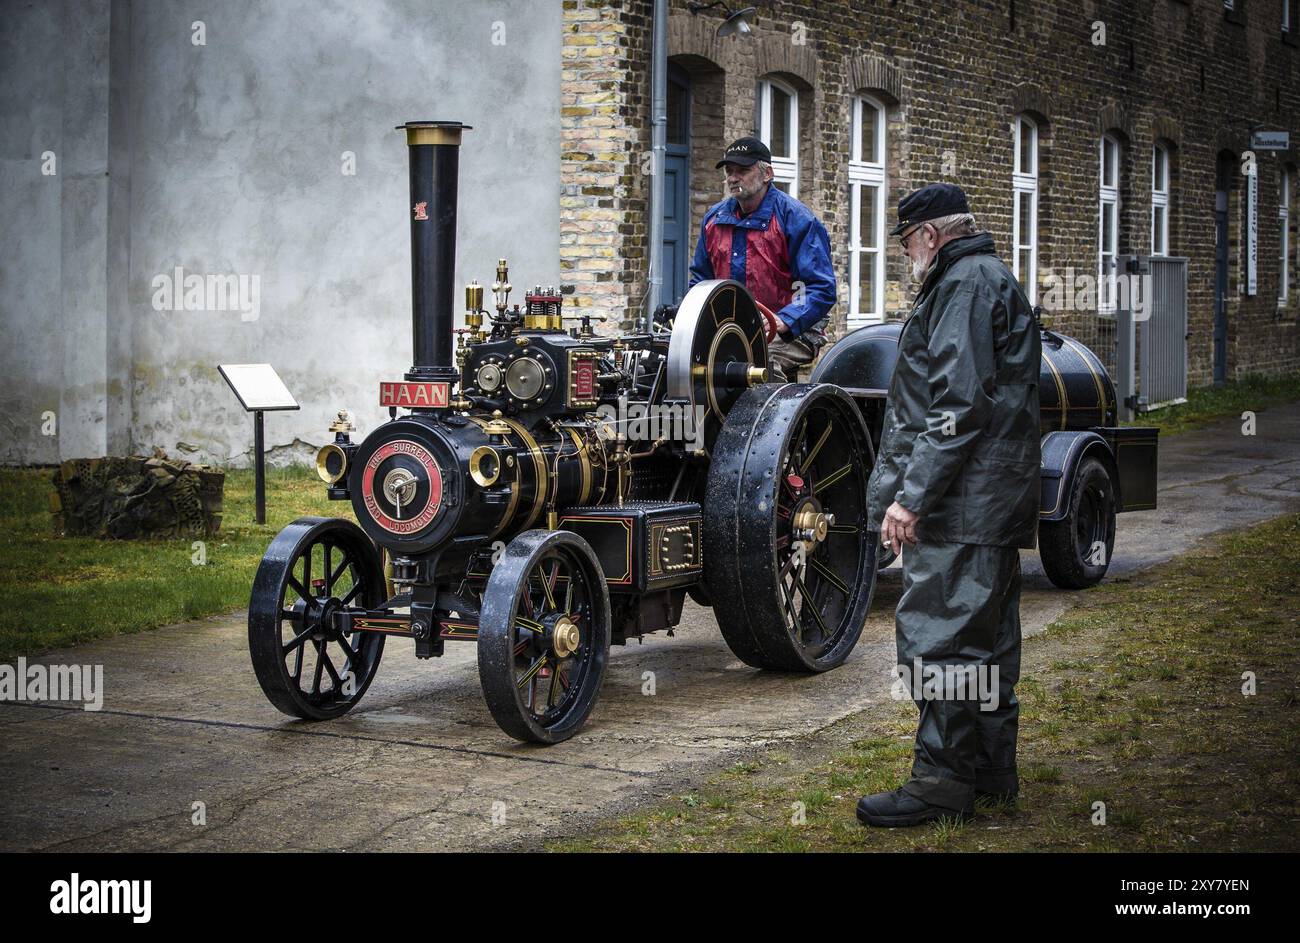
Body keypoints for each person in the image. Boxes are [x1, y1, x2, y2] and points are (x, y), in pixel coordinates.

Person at [856, 183, 1042, 827]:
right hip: (987, 498)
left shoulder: (964, 285)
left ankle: (939, 782)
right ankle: (989, 772)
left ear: (930, 235)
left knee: (944, 639)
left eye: (906, 240)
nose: (906, 254)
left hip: (963, 503)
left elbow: (955, 407)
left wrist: (910, 498)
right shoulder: (986, 276)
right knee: (986, 640)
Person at [687, 137, 836, 382]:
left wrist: (787, 319)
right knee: (682, 361)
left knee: (755, 364)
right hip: (732, 327)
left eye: (743, 170)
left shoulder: (796, 219)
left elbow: (820, 288)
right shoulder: (714, 220)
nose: (733, 178)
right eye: (729, 171)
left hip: (794, 330)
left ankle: (767, 420)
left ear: (767, 174)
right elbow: (701, 281)